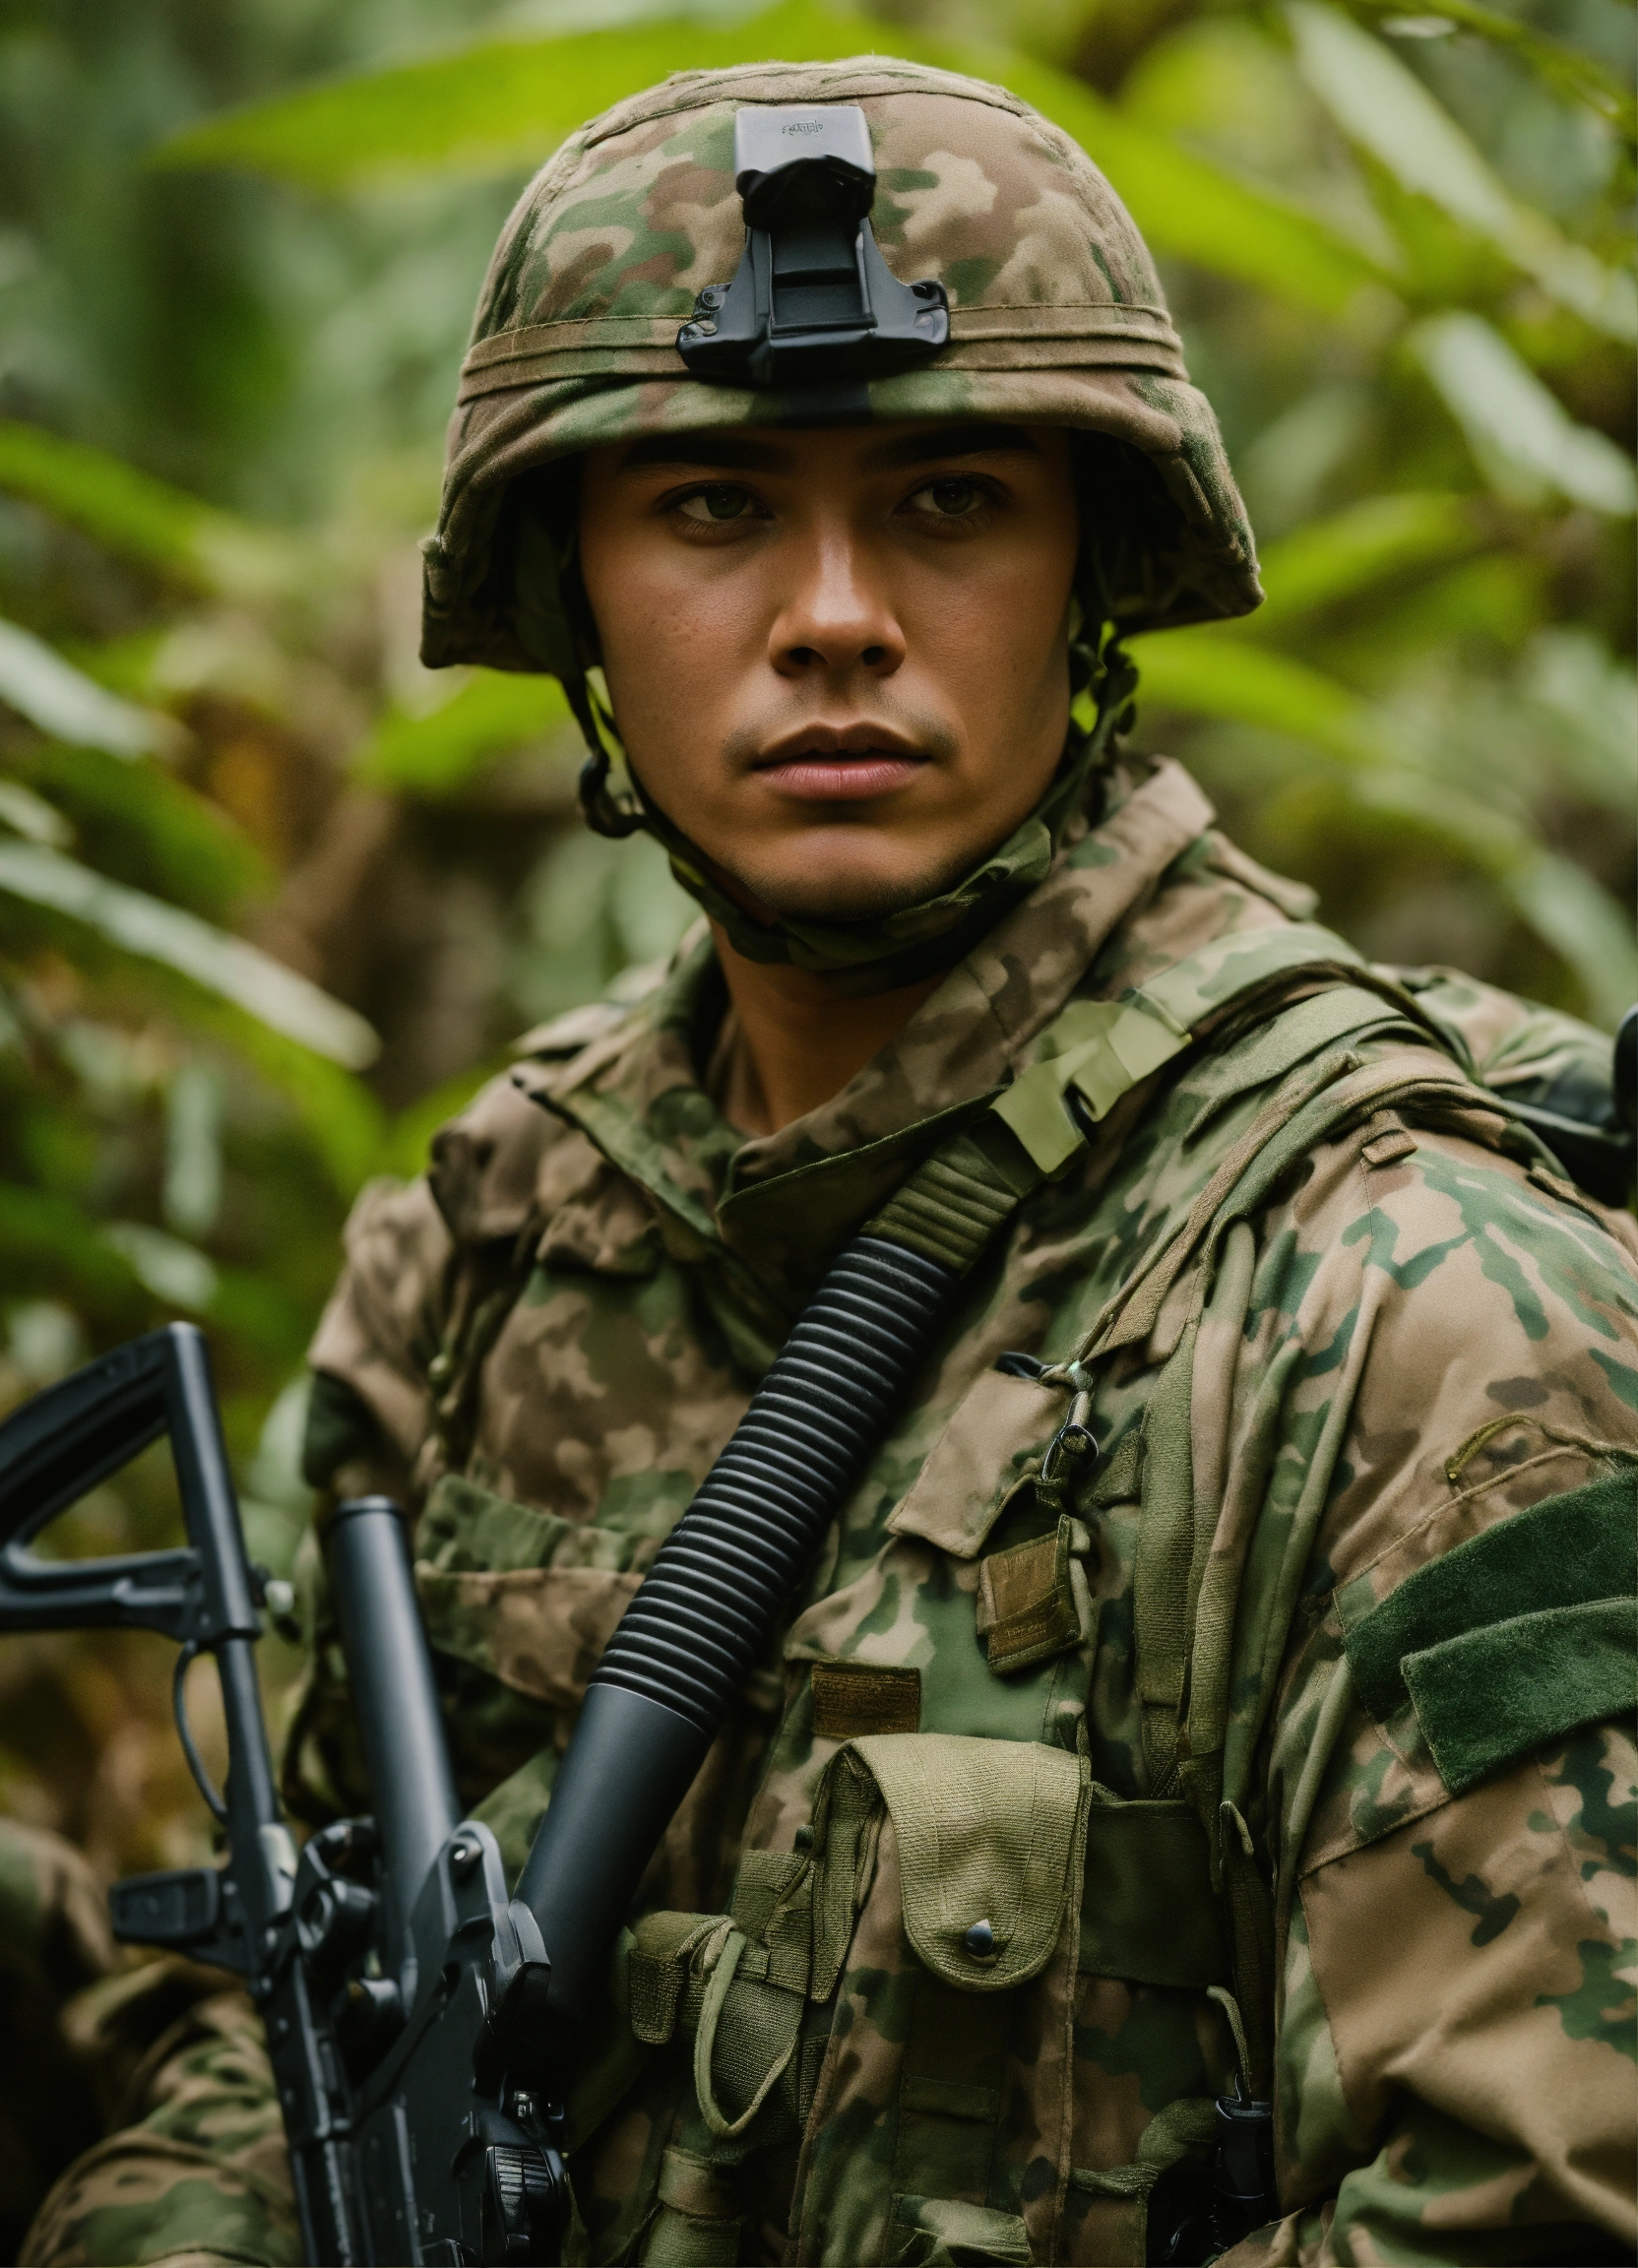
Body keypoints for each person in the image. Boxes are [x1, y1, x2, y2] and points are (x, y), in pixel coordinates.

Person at [25, 54, 1637, 2268]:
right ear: (571, 595)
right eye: (710, 509)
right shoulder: (501, 1229)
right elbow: (316, 2002)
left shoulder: (1409, 1296)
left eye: (950, 499)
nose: (834, 616)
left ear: (1090, 565)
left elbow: (1528, 2206)